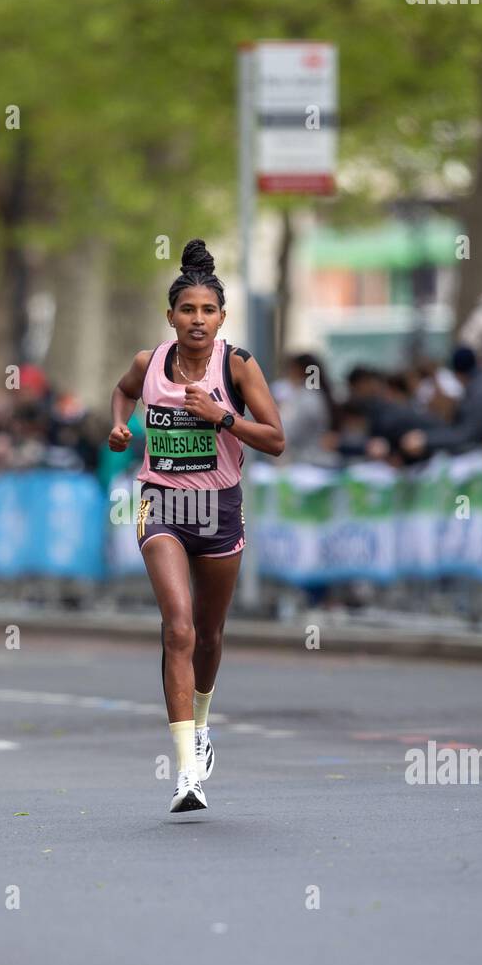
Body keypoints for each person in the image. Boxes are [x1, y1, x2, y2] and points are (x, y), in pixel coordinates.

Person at [108, 239, 285, 814]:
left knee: (208, 634)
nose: (198, 320)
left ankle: (202, 726)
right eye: (188, 310)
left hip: (218, 510)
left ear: (222, 319)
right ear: (171, 317)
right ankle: (187, 772)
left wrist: (223, 417)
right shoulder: (149, 362)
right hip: (159, 504)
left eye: (208, 311)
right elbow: (123, 392)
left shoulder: (239, 365)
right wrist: (120, 427)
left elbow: (277, 440)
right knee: (178, 629)